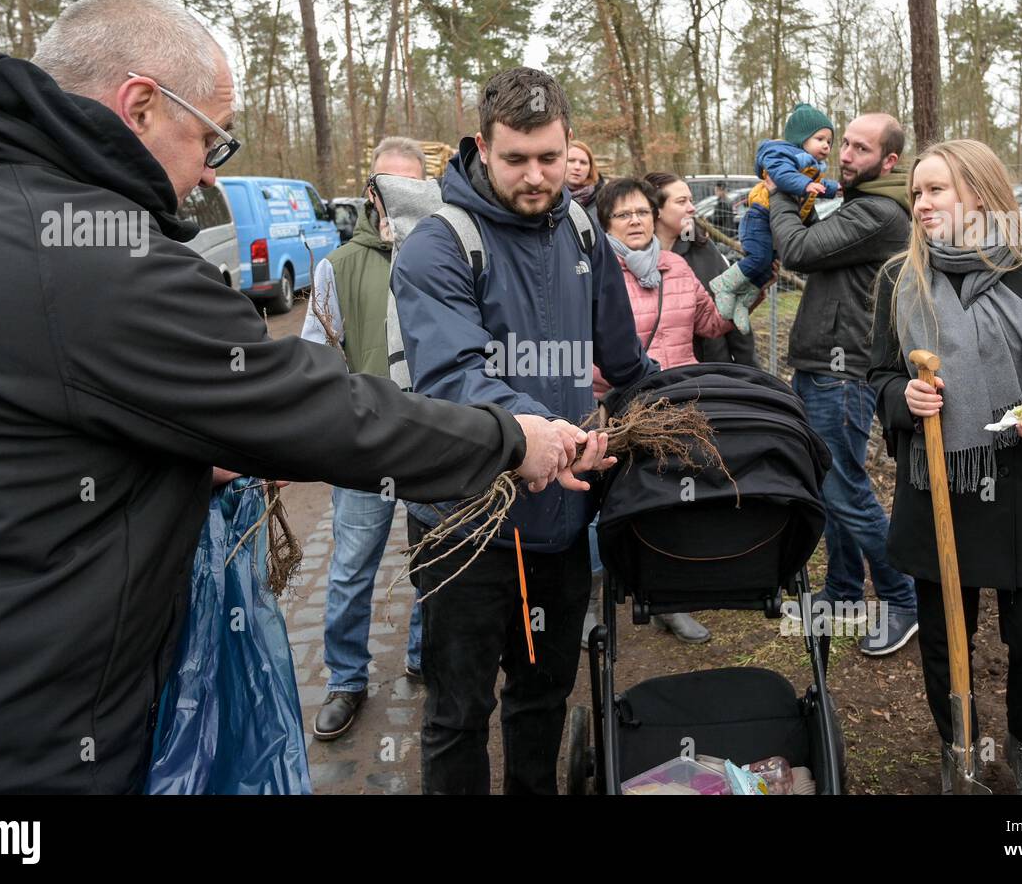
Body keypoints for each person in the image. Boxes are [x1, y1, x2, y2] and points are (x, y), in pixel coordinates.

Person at [0, 0, 588, 794]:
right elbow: (318, 410)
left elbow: (22, 435)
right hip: (24, 742)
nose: (203, 175)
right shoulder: (95, 258)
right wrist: (510, 439)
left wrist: (172, 462)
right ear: (142, 105)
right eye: (210, 141)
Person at [391, 67, 655, 794]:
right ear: (482, 147)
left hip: (560, 521)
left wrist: (656, 407)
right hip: (464, 524)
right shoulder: (439, 246)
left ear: (570, 145)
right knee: (458, 713)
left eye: (550, 157)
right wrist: (545, 435)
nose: (537, 177)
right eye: (516, 160)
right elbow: (454, 379)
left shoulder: (579, 229)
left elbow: (624, 359)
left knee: (541, 699)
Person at [869, 139, 1022, 794]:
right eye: (915, 193)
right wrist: (901, 400)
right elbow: (879, 375)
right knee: (947, 645)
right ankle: (958, 748)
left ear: (979, 190)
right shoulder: (900, 280)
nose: (922, 203)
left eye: (936, 189)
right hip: (938, 485)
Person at [769, 113, 920, 657]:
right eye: (845, 145)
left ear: (889, 160)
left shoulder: (881, 213)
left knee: (847, 491)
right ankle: (842, 594)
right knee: (832, 491)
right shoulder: (861, 201)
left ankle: (904, 600)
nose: (846, 155)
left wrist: (781, 189)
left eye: (860, 148)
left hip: (843, 374)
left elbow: (800, 251)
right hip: (821, 367)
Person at [587, 176, 754, 647]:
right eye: (623, 214)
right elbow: (584, 347)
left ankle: (668, 604)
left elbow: (709, 321)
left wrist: (747, 285)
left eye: (642, 211)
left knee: (672, 504)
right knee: (603, 509)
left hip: (679, 406)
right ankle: (588, 605)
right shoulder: (594, 274)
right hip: (618, 409)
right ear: (606, 224)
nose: (635, 220)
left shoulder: (676, 266)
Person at [301, 137, 429, 740]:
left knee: (438, 556)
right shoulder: (338, 265)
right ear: (370, 189)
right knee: (353, 567)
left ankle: (426, 654)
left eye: (413, 182)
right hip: (365, 445)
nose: (398, 196)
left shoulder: (442, 257)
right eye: (387, 183)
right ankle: (346, 679)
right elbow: (313, 358)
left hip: (433, 437)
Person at [711, 103, 840, 324]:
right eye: (820, 139)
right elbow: (782, 175)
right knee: (759, 259)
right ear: (801, 138)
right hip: (761, 216)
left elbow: (818, 185)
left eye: (829, 141)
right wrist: (805, 184)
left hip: (776, 221)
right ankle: (724, 284)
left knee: (768, 268)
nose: (826, 146)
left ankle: (743, 302)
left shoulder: (811, 168)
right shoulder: (780, 153)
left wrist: (834, 189)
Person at [646, 172, 757, 369]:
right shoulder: (633, 260)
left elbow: (733, 313)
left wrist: (749, 370)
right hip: (658, 380)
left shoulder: (704, 250)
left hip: (713, 374)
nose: (692, 208)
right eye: (681, 202)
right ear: (656, 210)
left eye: (691, 200)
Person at [565, 139, 604, 207]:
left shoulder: (604, 200)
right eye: (571, 160)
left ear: (590, 168)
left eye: (583, 162)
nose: (577, 167)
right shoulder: (547, 198)